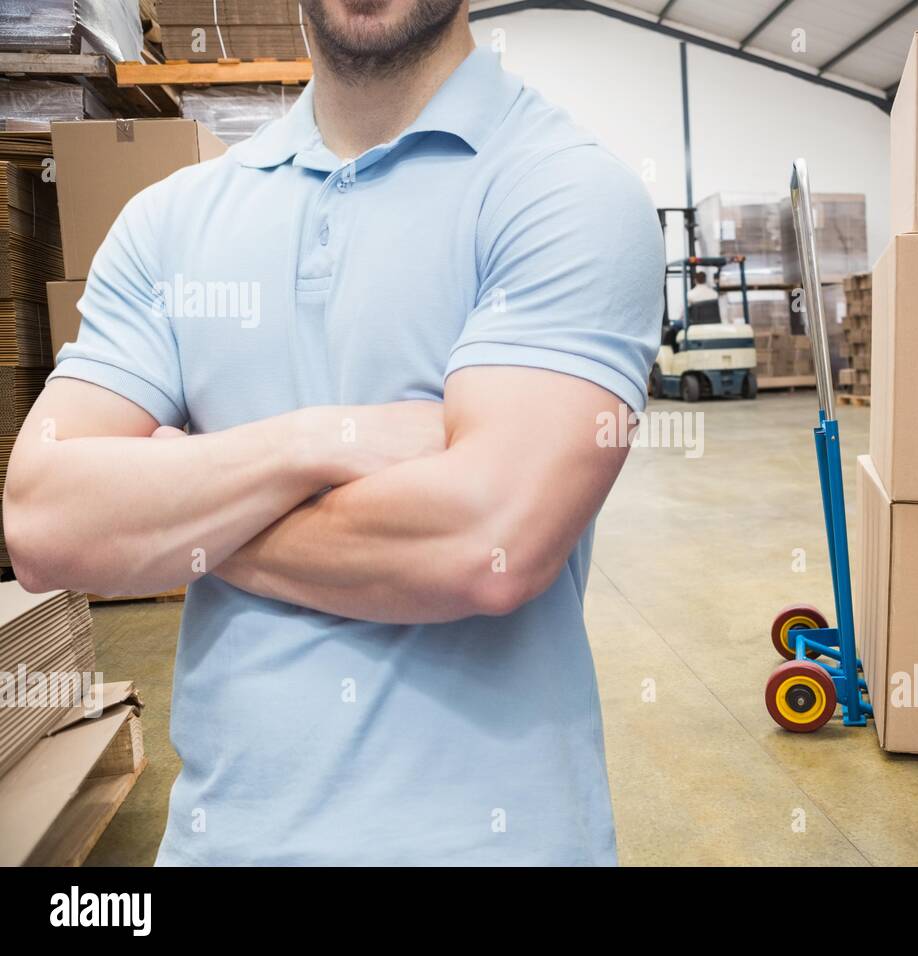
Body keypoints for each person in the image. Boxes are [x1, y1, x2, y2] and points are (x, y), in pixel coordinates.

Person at [2, 0, 664, 865]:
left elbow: (486, 545)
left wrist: (181, 514)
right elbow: (46, 527)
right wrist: (316, 441)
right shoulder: (172, 220)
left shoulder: (565, 191)